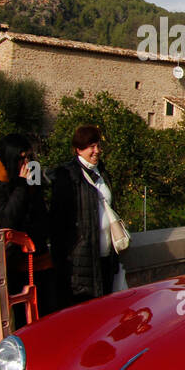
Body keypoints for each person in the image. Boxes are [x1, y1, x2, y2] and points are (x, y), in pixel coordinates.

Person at [49, 125, 123, 309]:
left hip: (106, 256)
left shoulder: (102, 172)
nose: (96, 151)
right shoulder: (68, 176)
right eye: (91, 146)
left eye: (98, 145)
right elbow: (58, 221)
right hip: (82, 263)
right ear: (78, 148)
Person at [0, 133, 52, 324]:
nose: (26, 162)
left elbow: (41, 213)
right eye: (21, 158)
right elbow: (7, 219)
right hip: (17, 263)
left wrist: (34, 185)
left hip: (40, 257)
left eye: (28, 157)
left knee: (48, 314)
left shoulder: (32, 173)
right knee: (26, 321)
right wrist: (22, 186)